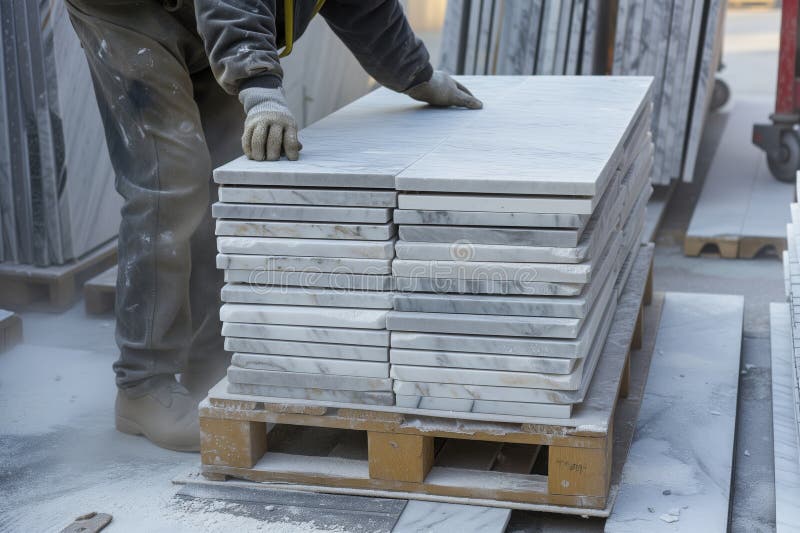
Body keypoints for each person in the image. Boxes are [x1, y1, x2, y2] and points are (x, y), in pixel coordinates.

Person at [66, 0, 483, 452]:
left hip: (209, 17)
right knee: (173, 179)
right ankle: (142, 386)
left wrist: (417, 76)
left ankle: (209, 361)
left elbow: (367, 8)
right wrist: (259, 88)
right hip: (133, 13)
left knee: (226, 179)